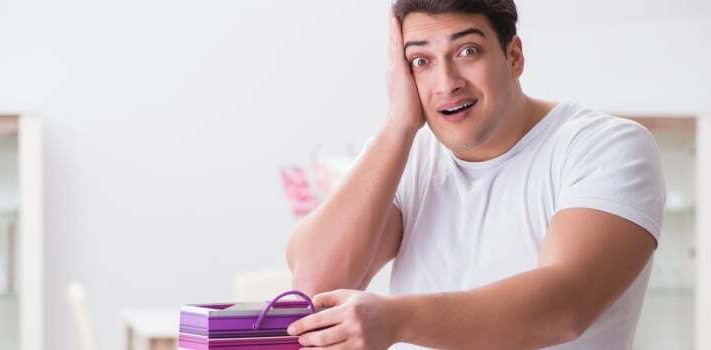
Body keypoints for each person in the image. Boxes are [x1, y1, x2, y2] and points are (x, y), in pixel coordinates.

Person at [284, 0, 665, 349]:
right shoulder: (405, 153)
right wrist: (399, 125)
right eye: (421, 61)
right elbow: (314, 287)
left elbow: (566, 305)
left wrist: (398, 319)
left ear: (513, 56)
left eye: (467, 51)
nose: (447, 82)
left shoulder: (605, 146)